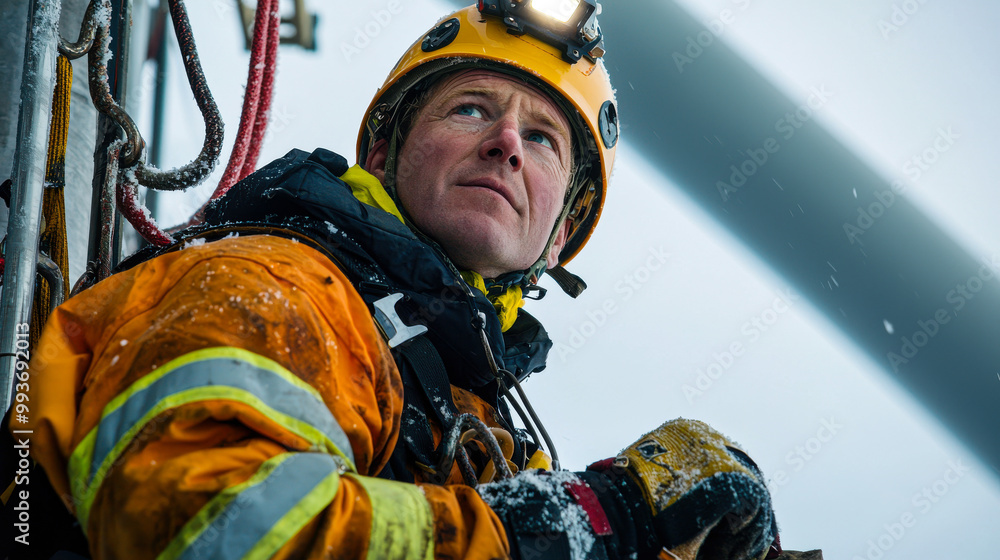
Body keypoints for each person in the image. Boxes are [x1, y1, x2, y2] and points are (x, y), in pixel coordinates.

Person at [16, 4, 791, 559]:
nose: (506, 144)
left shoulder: (483, 427)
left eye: (545, 139)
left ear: (561, 235)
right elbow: (208, 529)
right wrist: (588, 519)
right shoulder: (279, 287)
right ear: (383, 156)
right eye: (471, 109)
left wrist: (664, 531)